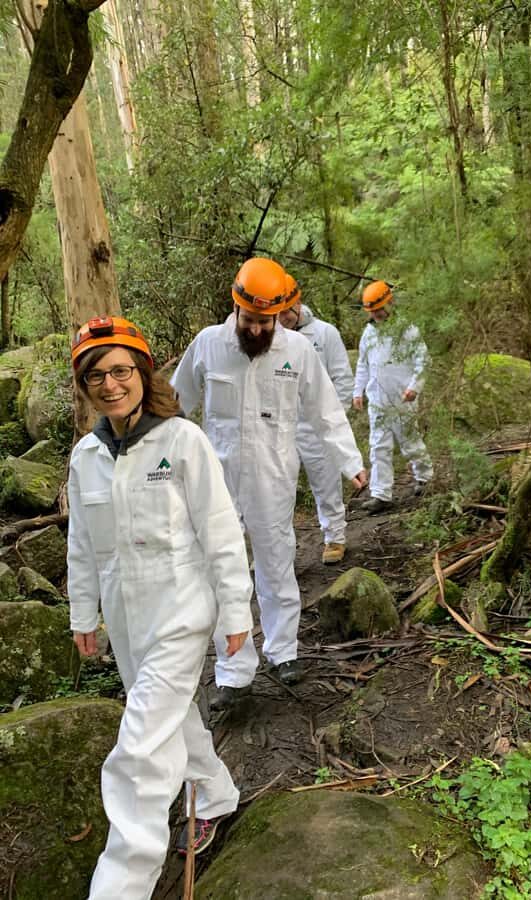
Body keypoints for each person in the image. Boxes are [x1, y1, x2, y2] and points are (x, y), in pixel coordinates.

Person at [67, 316, 253, 899]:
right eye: (96, 375)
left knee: (140, 749)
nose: (110, 384)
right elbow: (82, 546)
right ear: (86, 385)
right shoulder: (85, 457)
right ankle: (216, 796)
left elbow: (221, 532)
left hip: (180, 610)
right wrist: (82, 615)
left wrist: (235, 611)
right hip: (126, 616)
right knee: (170, 716)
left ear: (143, 373)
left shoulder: (182, 441)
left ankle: (122, 882)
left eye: (121, 370)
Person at [171, 257, 367, 706]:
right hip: (216, 479)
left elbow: (326, 411)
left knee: (277, 564)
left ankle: (284, 651)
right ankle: (232, 672)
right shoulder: (208, 345)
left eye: (267, 321)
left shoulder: (297, 351)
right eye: (250, 320)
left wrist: (349, 461)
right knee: (222, 570)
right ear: (235, 307)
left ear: (280, 313)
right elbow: (176, 404)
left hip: (274, 476)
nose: (258, 330)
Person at [279, 273, 354, 565]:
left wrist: (334, 421)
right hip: (282, 426)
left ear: (298, 304)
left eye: (288, 310)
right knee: (278, 489)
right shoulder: (270, 337)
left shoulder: (325, 334)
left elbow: (342, 379)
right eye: (278, 312)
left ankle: (335, 536)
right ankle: (277, 549)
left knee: (326, 483)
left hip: (317, 425)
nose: (283, 317)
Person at [353, 281, 433, 514]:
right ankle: (381, 494)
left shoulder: (407, 329)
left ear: (390, 302)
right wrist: (358, 392)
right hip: (377, 400)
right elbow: (363, 364)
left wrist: (414, 387)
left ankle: (425, 478)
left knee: (410, 441)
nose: (377, 314)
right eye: (372, 311)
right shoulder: (368, 333)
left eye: (380, 308)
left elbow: (423, 360)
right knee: (378, 446)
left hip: (403, 398)